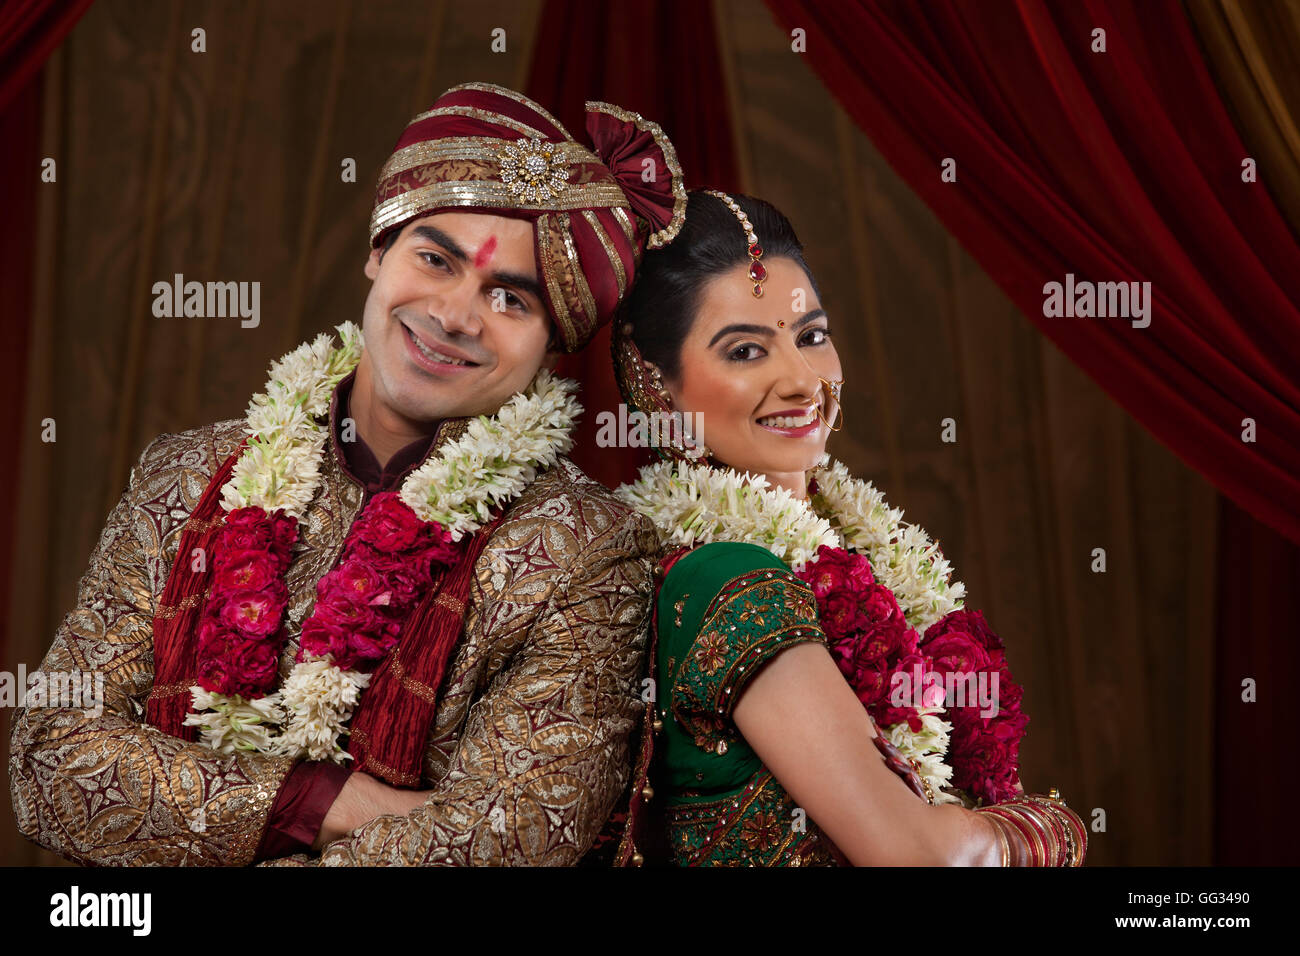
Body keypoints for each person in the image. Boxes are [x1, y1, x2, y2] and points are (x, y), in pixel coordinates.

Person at [8, 82, 689, 866]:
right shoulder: (185, 475)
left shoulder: (587, 553)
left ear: (552, 345)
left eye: (510, 298)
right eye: (435, 259)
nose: (455, 315)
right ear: (377, 250)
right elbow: (50, 760)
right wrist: (328, 801)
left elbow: (506, 843)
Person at [611, 190, 1087, 866]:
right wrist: (1055, 827)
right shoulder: (725, 578)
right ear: (657, 385)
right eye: (746, 352)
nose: (803, 381)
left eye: (811, 337)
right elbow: (920, 857)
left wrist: (980, 831)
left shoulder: (866, 557)